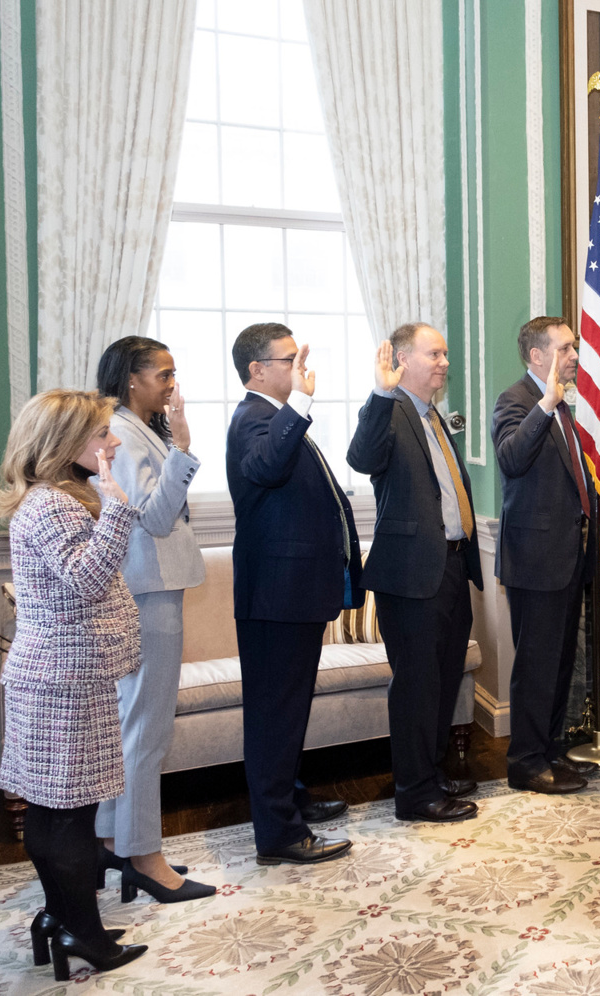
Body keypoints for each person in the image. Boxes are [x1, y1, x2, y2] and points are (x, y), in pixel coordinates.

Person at [0, 389, 148, 978]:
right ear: (63, 443)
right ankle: (85, 935)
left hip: (53, 674)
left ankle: (63, 919)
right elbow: (86, 579)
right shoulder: (54, 506)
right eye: (102, 434)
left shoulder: (45, 500)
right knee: (71, 815)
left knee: (52, 813)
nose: (111, 443)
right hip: (64, 677)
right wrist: (117, 508)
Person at [226, 323, 360, 865]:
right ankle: (279, 834)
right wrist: (301, 401)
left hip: (292, 594)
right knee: (274, 714)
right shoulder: (254, 418)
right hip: (276, 597)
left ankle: (291, 801)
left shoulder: (271, 417)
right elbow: (265, 466)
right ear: (258, 370)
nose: (300, 370)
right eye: (289, 360)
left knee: (287, 709)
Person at [91, 337, 215, 904]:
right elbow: (158, 517)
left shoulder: (133, 429)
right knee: (147, 728)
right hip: (149, 590)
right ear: (131, 380)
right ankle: (144, 855)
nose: (172, 384)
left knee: (132, 723)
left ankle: (114, 840)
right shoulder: (122, 432)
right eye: (162, 374)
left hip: (146, 587)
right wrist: (185, 449)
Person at [347, 323, 483, 822]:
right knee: (416, 687)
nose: (445, 362)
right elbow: (361, 458)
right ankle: (415, 794)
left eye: (446, 352)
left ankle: (430, 772)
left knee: (444, 680)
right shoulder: (391, 407)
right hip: (410, 574)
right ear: (402, 359)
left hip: (450, 565)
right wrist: (380, 393)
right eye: (435, 353)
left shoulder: (432, 415)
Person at [491, 317, 600, 794]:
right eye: (566, 347)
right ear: (537, 356)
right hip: (534, 560)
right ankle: (525, 764)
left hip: (567, 556)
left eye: (575, 346)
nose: (575, 355)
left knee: (560, 664)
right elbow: (512, 459)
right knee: (536, 666)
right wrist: (544, 406)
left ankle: (552, 751)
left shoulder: (563, 407)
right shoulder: (517, 401)